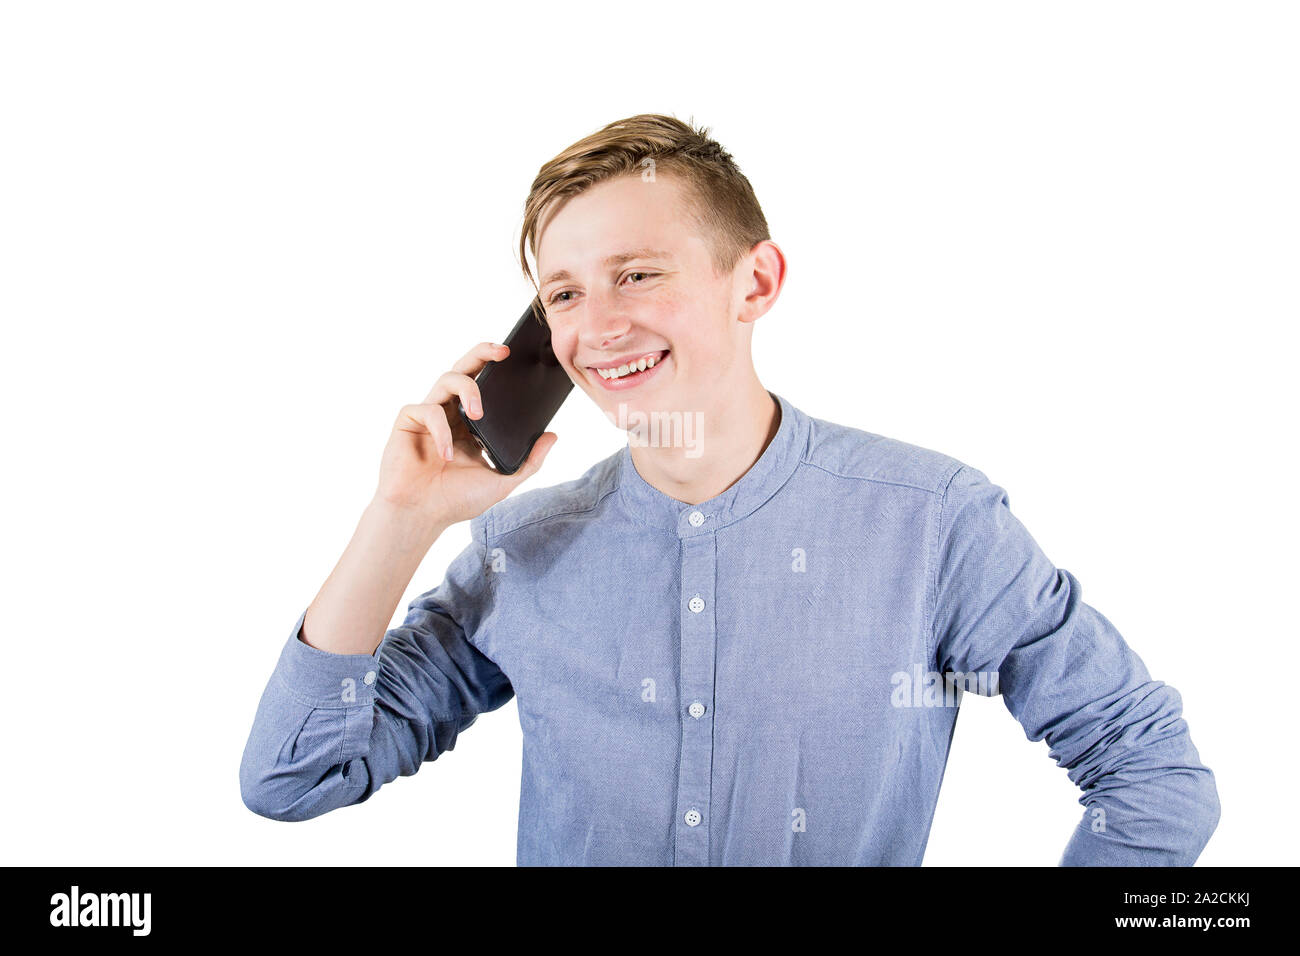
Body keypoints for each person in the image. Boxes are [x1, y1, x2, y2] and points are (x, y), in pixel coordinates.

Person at [239, 113, 1220, 866]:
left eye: (637, 274)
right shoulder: (518, 549)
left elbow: (1151, 771)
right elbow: (293, 775)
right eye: (565, 293)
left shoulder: (933, 522)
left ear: (753, 283)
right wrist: (400, 516)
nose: (597, 326)